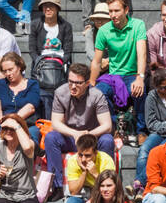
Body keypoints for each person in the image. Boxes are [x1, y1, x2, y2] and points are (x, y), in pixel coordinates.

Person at [45, 62, 115, 191]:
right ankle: (56, 186)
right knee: (51, 138)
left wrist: (88, 135)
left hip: (92, 138)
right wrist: (75, 133)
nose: (72, 86)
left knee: (107, 140)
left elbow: (107, 125)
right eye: (70, 81)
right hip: (71, 137)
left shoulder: (96, 95)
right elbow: (55, 123)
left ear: (87, 83)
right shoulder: (60, 92)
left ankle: (106, 183)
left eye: (78, 83)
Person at [90, 0, 147, 116]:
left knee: (139, 91)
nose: (113, 15)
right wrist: (92, 83)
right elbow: (97, 61)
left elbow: (141, 54)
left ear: (126, 10)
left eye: (117, 11)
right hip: (113, 76)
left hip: (132, 74)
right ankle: (114, 124)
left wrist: (140, 77)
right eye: (110, 11)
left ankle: (141, 130)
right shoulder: (104, 30)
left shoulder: (138, 25)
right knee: (98, 93)